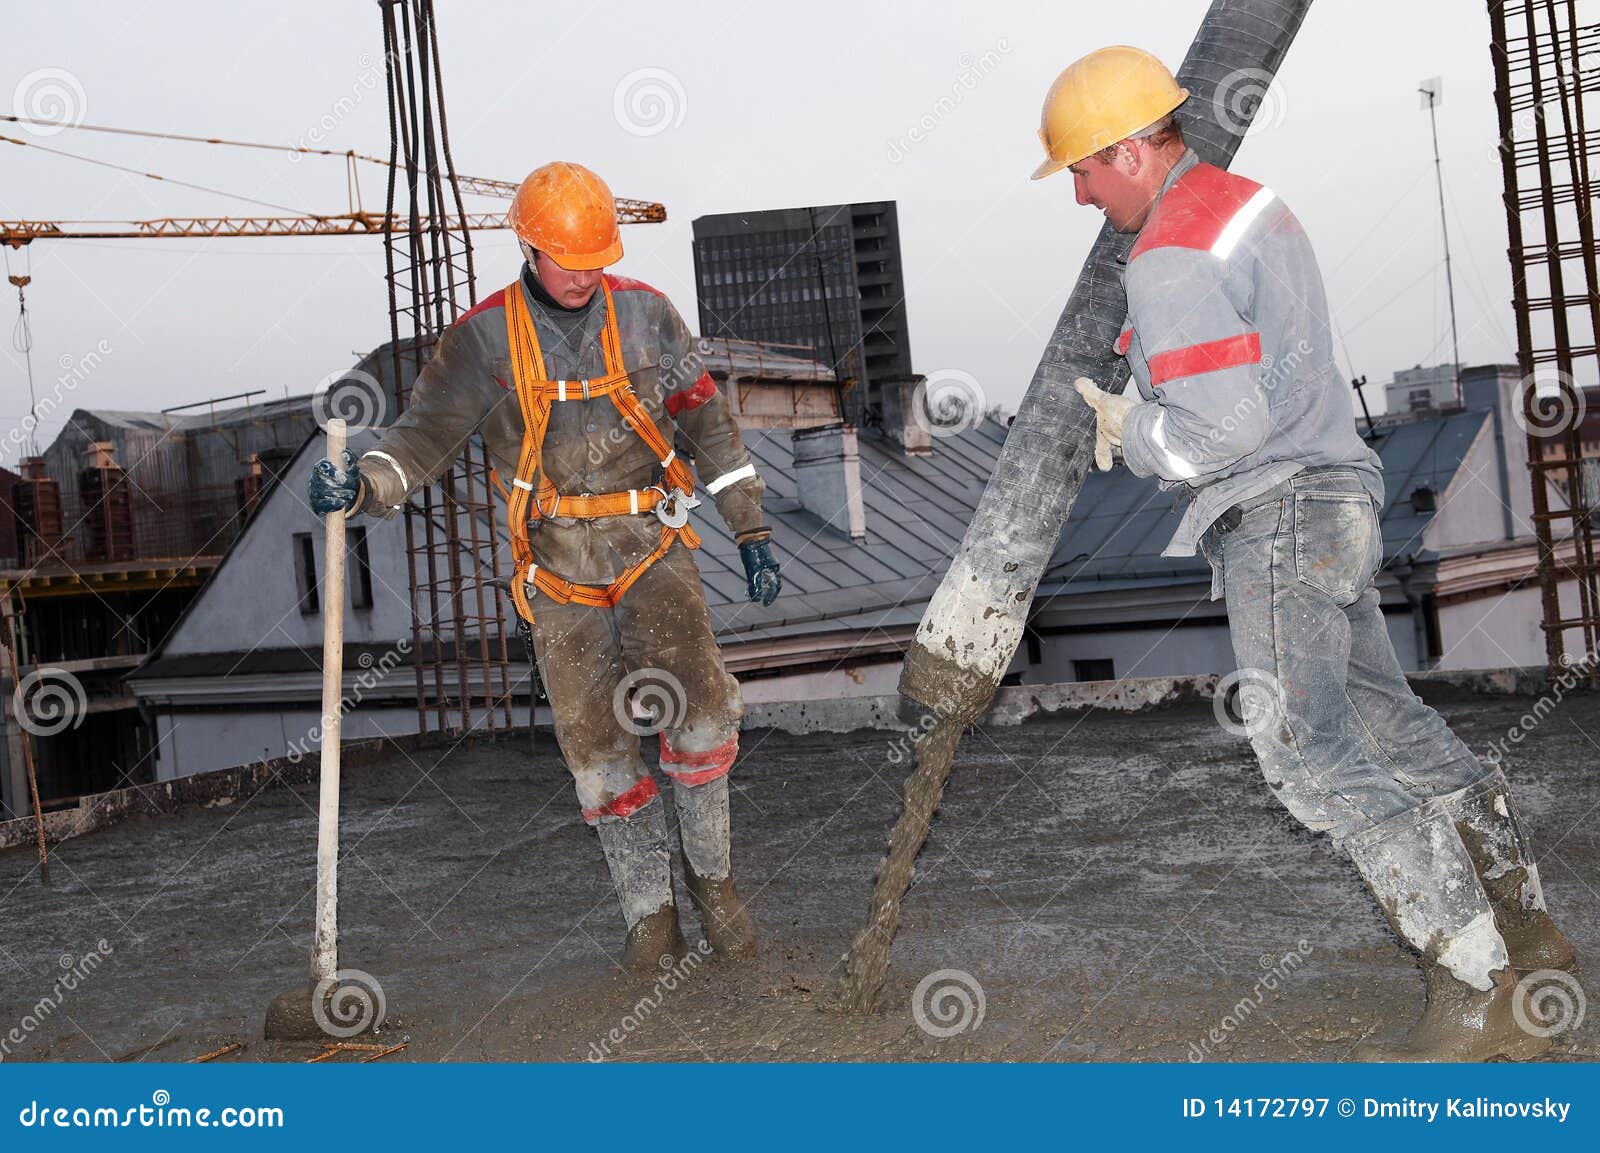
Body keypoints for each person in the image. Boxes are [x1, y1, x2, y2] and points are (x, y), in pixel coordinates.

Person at [1037, 46, 1577, 1060]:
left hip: (1277, 513)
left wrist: (1135, 432)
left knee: (1303, 753)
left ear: (1125, 151)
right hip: (1335, 494)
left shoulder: (1166, 254)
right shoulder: (1249, 205)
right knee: (1390, 721)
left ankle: (1472, 990)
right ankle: (1531, 935)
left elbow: (1222, 427)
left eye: (1081, 168)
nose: (1077, 193)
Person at [308, 161, 781, 973]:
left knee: (703, 718)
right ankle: (650, 918)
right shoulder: (482, 342)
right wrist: (363, 485)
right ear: (526, 246)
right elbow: (422, 440)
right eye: (568, 260)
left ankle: (716, 886)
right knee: (598, 755)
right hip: (558, 573)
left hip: (653, 551)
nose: (584, 275)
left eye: (596, 259)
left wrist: (750, 528)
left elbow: (708, 421)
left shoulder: (647, 317)